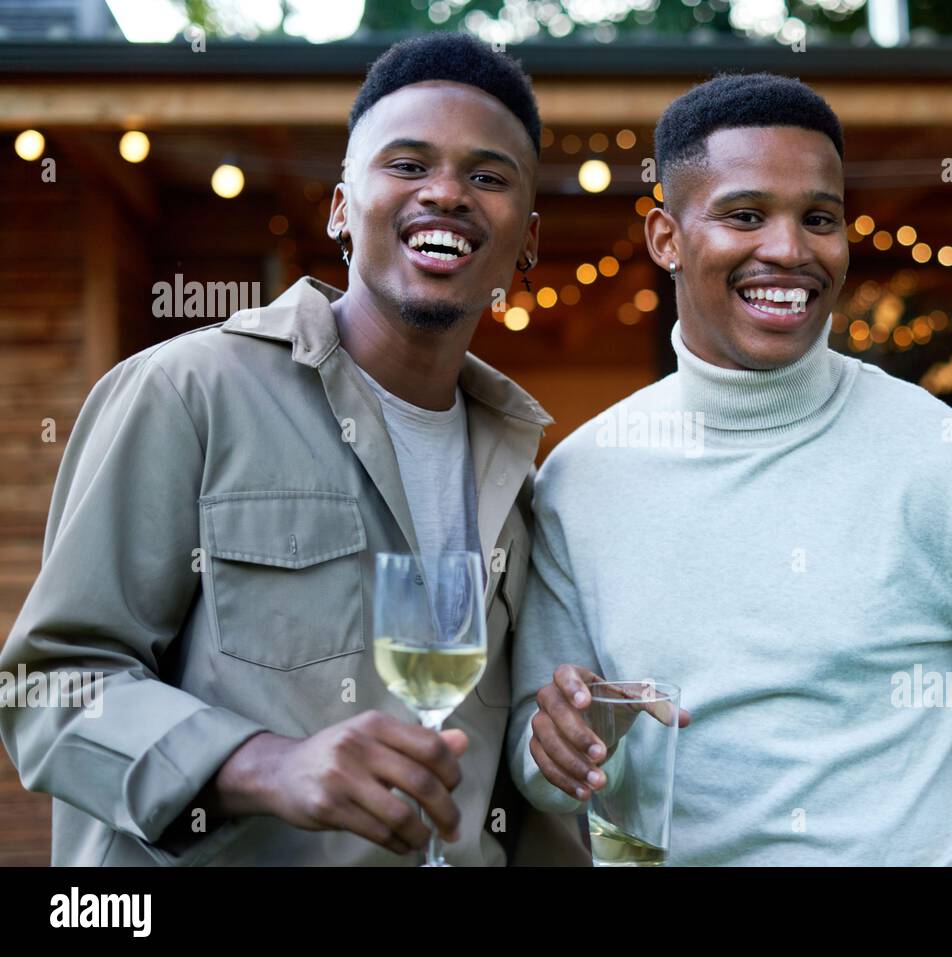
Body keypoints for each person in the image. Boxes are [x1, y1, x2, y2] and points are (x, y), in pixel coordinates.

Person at [508, 72, 952, 865]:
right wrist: (549, 745)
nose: (789, 250)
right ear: (666, 239)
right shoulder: (580, 478)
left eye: (819, 218)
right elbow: (536, 755)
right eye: (746, 214)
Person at [0, 32, 587, 867]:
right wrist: (261, 763)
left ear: (524, 239)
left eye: (487, 176)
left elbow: (515, 802)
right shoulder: (186, 391)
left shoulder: (525, 490)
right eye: (409, 164)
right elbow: (48, 691)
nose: (447, 193)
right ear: (343, 207)